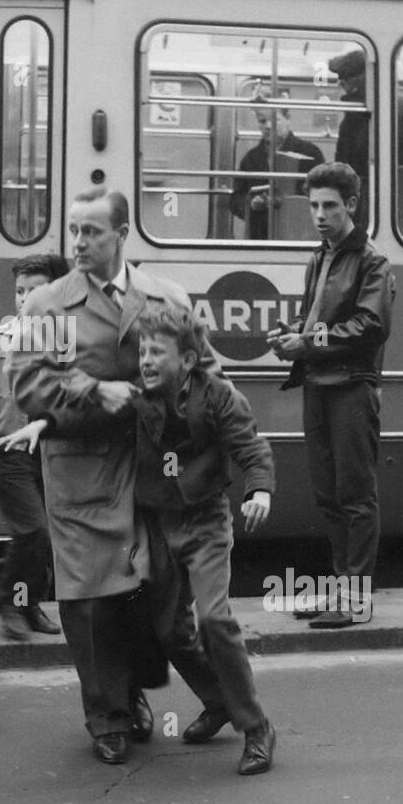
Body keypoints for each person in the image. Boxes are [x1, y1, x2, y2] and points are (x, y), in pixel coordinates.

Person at [8, 184, 214, 765]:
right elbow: (27, 386)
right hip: (83, 471)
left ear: (122, 235)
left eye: (91, 231)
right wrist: (96, 390)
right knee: (92, 601)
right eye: (73, 230)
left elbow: (205, 372)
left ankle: (135, 694)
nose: (78, 242)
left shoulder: (164, 294)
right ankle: (107, 716)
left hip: (153, 472)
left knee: (149, 593)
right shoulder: (48, 304)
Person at [131, 307, 277, 774]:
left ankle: (256, 727)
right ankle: (218, 701)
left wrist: (259, 489)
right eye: (142, 350)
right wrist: (42, 425)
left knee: (214, 619)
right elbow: (83, 415)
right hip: (157, 522)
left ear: (189, 359)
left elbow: (250, 446)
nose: (146, 360)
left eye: (157, 351)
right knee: (169, 630)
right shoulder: (133, 396)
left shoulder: (219, 396)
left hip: (206, 521)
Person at [266, 162, 394, 629]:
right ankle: (342, 591)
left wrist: (309, 342)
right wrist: (292, 336)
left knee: (356, 495)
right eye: (314, 206)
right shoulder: (320, 257)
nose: (319, 215)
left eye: (329, 206)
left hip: (352, 388)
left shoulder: (371, 261)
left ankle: (355, 599)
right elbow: (317, 319)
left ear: (352, 205)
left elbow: (371, 326)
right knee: (330, 494)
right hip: (319, 385)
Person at [0, 253, 67, 640]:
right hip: (7, 449)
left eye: (34, 291)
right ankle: (8, 599)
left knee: (46, 535)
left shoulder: (67, 343)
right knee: (34, 530)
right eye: (19, 291)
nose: (23, 299)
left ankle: (27, 604)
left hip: (52, 452)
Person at [228, 89, 324, 240]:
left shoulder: (310, 153)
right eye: (262, 121)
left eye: (274, 119)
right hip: (260, 234)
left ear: (287, 119)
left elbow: (323, 195)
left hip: (298, 234)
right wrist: (251, 205)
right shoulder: (251, 158)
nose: (268, 125)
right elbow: (236, 199)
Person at [327, 51, 372, 231]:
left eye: (344, 80)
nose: (341, 84)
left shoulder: (356, 116)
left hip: (361, 200)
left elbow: (347, 163)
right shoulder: (355, 114)